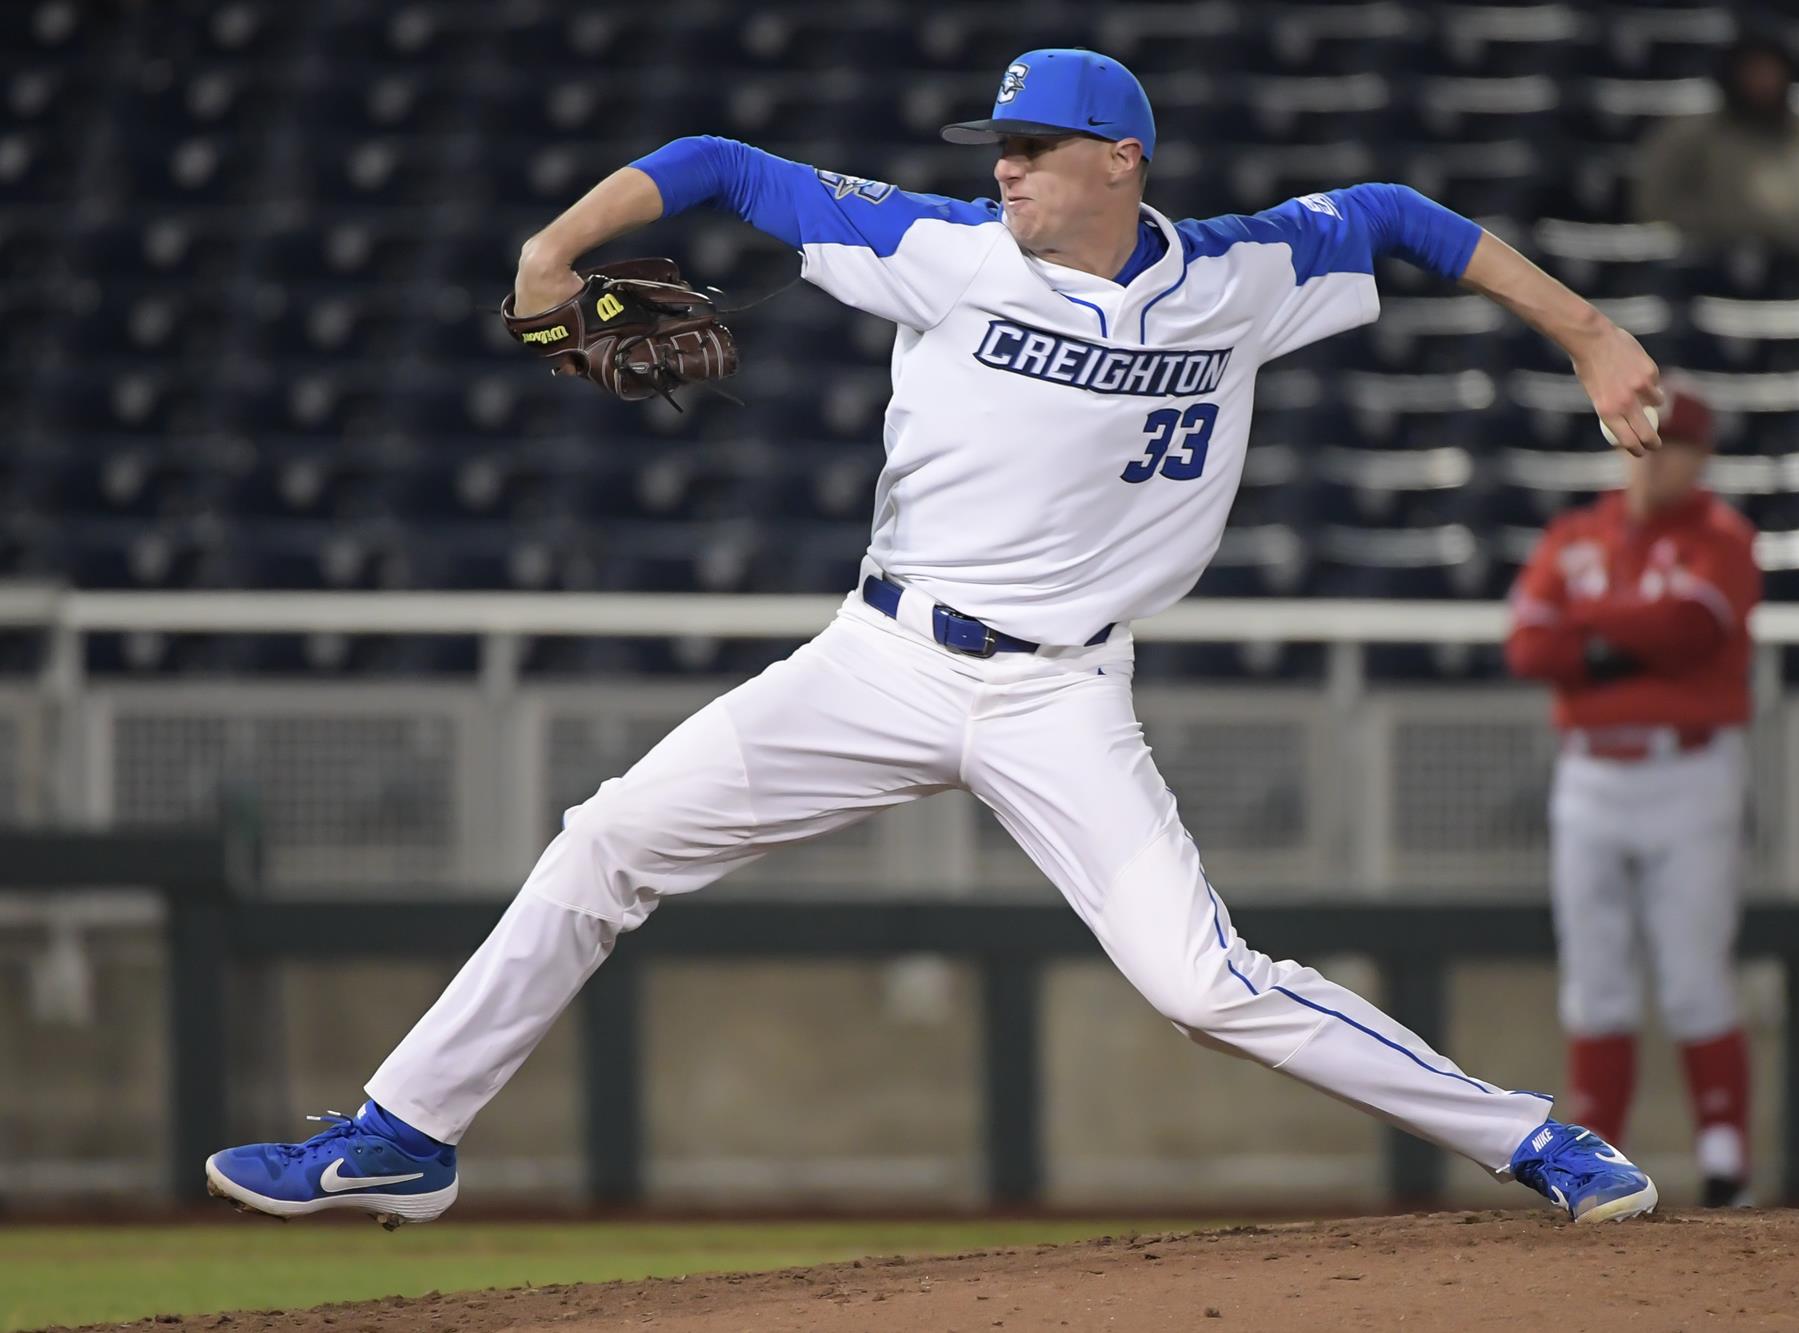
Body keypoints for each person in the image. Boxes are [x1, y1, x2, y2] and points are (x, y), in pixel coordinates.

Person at [204, 49, 1667, 1227]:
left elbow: (1403, 211)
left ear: (1120, 160)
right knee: (604, 841)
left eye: (1031, 147)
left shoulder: (1240, 275)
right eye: (997, 146)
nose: (1005, 167)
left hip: (1062, 694)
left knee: (1201, 985)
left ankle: (1535, 1140)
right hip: (879, 661)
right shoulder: (940, 246)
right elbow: (718, 164)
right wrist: (558, 244)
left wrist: (1592, 335)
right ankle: (403, 1137)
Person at [1504, 381, 1760, 1207]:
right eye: (1649, 441)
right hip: (1589, 775)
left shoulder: (1721, 535)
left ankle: (1725, 1162)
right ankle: (1598, 1166)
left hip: (1687, 772)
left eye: (1677, 445)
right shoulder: (1576, 532)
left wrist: (1591, 630)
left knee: (1693, 976)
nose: (1659, 459)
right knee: (1596, 982)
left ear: (1699, 457)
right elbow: (1528, 646)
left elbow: (1695, 629)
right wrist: (1626, 634)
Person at [1632, 34, 1799, 261]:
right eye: (1754, 70)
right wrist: (1729, 223)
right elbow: (1653, 204)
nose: (1764, 81)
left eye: (1771, 70)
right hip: (1714, 266)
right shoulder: (1692, 134)